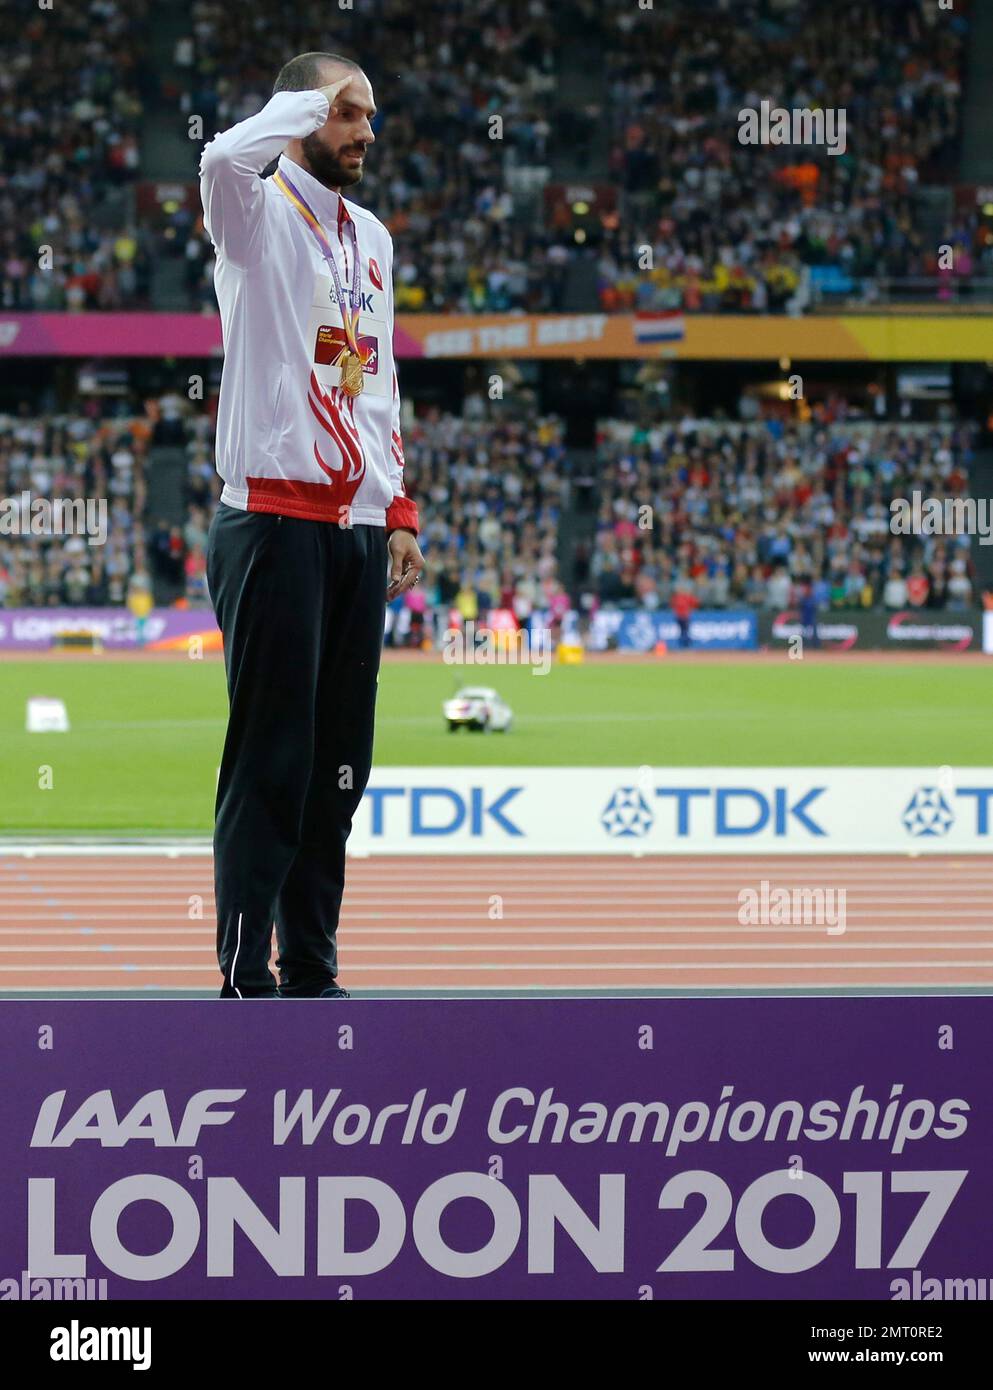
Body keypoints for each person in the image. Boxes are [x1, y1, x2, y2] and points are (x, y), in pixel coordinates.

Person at [200, 51, 423, 999]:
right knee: (273, 756)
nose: (366, 132)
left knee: (339, 763)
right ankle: (245, 971)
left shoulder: (369, 236)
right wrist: (296, 105)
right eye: (347, 114)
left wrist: (398, 510)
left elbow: (377, 383)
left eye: (371, 116)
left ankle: (313, 969)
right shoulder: (252, 217)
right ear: (298, 116)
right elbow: (215, 162)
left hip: (357, 530)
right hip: (271, 521)